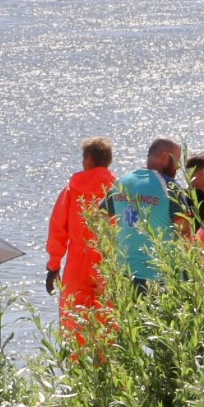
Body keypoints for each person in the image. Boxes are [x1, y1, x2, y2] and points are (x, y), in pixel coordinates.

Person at [46, 138, 117, 327]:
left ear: (89, 158)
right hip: (109, 264)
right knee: (109, 324)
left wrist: (53, 266)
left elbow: (58, 230)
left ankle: (79, 357)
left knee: (75, 324)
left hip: (78, 264)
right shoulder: (119, 190)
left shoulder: (72, 190)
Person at [110, 137, 183, 290]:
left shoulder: (121, 182)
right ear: (165, 157)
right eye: (177, 161)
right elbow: (184, 234)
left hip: (124, 275)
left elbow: (101, 216)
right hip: (159, 276)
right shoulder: (169, 186)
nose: (178, 167)